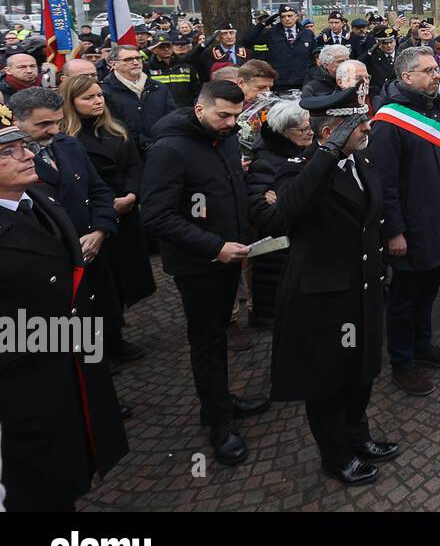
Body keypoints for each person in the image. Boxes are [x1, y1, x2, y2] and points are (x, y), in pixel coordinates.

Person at [271, 86, 398, 486]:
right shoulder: (298, 168)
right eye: (357, 125)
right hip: (324, 294)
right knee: (328, 379)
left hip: (363, 286)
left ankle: (359, 437)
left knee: (362, 369)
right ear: (330, 133)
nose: (367, 128)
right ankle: (336, 454)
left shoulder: (364, 158)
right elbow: (282, 217)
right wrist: (327, 156)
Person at [0, 117, 128, 511]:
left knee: (69, 467)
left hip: (66, 366)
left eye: (21, 145)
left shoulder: (38, 198)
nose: (26, 155)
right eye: (7, 152)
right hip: (23, 386)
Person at [140, 81, 268, 466]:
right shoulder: (169, 149)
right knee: (208, 340)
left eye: (236, 115)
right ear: (200, 110)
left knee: (215, 336)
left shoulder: (224, 138)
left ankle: (219, 400)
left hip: (228, 255)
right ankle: (218, 421)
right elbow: (157, 215)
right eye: (223, 115)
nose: (231, 123)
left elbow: (225, 188)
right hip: (198, 264)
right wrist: (214, 247)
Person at [369, 46, 440, 396]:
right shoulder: (388, 121)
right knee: (405, 298)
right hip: (410, 227)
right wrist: (394, 231)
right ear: (407, 77)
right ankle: (402, 362)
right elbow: (385, 184)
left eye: (436, 68)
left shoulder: (438, 110)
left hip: (439, 220)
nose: (436, 74)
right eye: (428, 70)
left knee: (430, 289)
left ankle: (423, 345)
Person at [60, 75, 156, 364]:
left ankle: (116, 337)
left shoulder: (116, 129)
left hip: (124, 213)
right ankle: (101, 348)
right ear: (71, 103)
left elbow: (135, 165)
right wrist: (108, 204)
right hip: (95, 219)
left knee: (123, 280)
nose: (97, 101)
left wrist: (131, 195)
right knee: (102, 287)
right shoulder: (67, 139)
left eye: (99, 95)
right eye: (88, 98)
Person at [245, 99, 313, 329]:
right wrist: (290, 203)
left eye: (310, 125)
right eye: (303, 129)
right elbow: (263, 213)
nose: (310, 132)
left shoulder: (306, 150)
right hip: (279, 258)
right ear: (284, 132)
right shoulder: (265, 161)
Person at [100, 43, 175, 157]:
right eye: (128, 59)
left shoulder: (158, 87)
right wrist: (142, 142)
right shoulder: (105, 91)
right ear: (113, 64)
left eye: (138, 58)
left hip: (162, 148)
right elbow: (112, 124)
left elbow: (171, 117)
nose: (135, 62)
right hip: (127, 153)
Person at [259, 4, 316, 92]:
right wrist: (264, 23)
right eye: (283, 16)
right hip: (279, 83)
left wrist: (309, 74)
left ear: (296, 17)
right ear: (280, 19)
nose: (287, 19)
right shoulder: (271, 33)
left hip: (303, 82)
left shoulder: (307, 33)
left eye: (290, 16)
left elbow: (314, 56)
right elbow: (248, 40)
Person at [145, 36, 202, 107]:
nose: (166, 49)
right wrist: (147, 50)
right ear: (154, 50)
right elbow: (135, 59)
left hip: (185, 111)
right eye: (162, 47)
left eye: (168, 46)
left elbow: (197, 91)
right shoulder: (148, 68)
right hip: (161, 112)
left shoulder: (185, 66)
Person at [364, 26, 399, 95]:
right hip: (379, 95)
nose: (389, 46)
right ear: (380, 44)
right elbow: (359, 62)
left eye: (391, 42)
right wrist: (373, 48)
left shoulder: (402, 56)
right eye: (385, 43)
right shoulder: (373, 58)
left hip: (397, 95)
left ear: (395, 41)